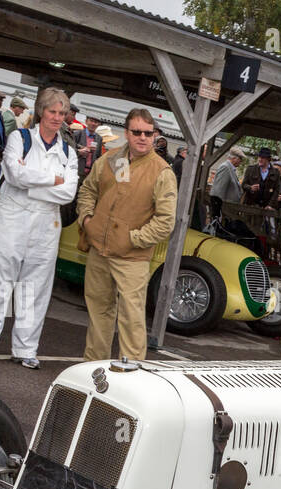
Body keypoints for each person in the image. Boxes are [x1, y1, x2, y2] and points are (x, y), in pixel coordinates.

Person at [0, 88, 77, 369]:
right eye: (52, 111)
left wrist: (32, 185)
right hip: (12, 219)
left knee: (36, 287)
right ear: (41, 111)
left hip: (46, 224)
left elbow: (69, 193)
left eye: (62, 113)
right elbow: (14, 174)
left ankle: (26, 348)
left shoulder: (68, 151)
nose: (57, 118)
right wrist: (54, 179)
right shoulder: (19, 138)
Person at [76, 108, 177, 362]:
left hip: (132, 259)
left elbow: (165, 222)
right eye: (137, 132)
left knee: (132, 319)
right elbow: (88, 190)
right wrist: (88, 221)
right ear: (127, 133)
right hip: (99, 250)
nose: (143, 137)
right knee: (98, 312)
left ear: (155, 135)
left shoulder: (162, 171)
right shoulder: (113, 159)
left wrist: (133, 239)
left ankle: (132, 375)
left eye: (148, 132)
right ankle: (93, 369)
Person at [208, 145, 245, 218]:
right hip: (223, 210)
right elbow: (218, 191)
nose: (241, 161)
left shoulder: (230, 168)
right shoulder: (225, 167)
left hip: (227, 210)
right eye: (240, 159)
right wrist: (217, 213)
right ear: (234, 158)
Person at [77, 115, 101, 180]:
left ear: (98, 124)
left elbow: (98, 156)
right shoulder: (78, 134)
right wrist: (79, 152)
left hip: (90, 173)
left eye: (96, 122)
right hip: (77, 170)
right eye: (91, 121)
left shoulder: (99, 138)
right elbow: (70, 150)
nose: (93, 124)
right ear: (86, 121)